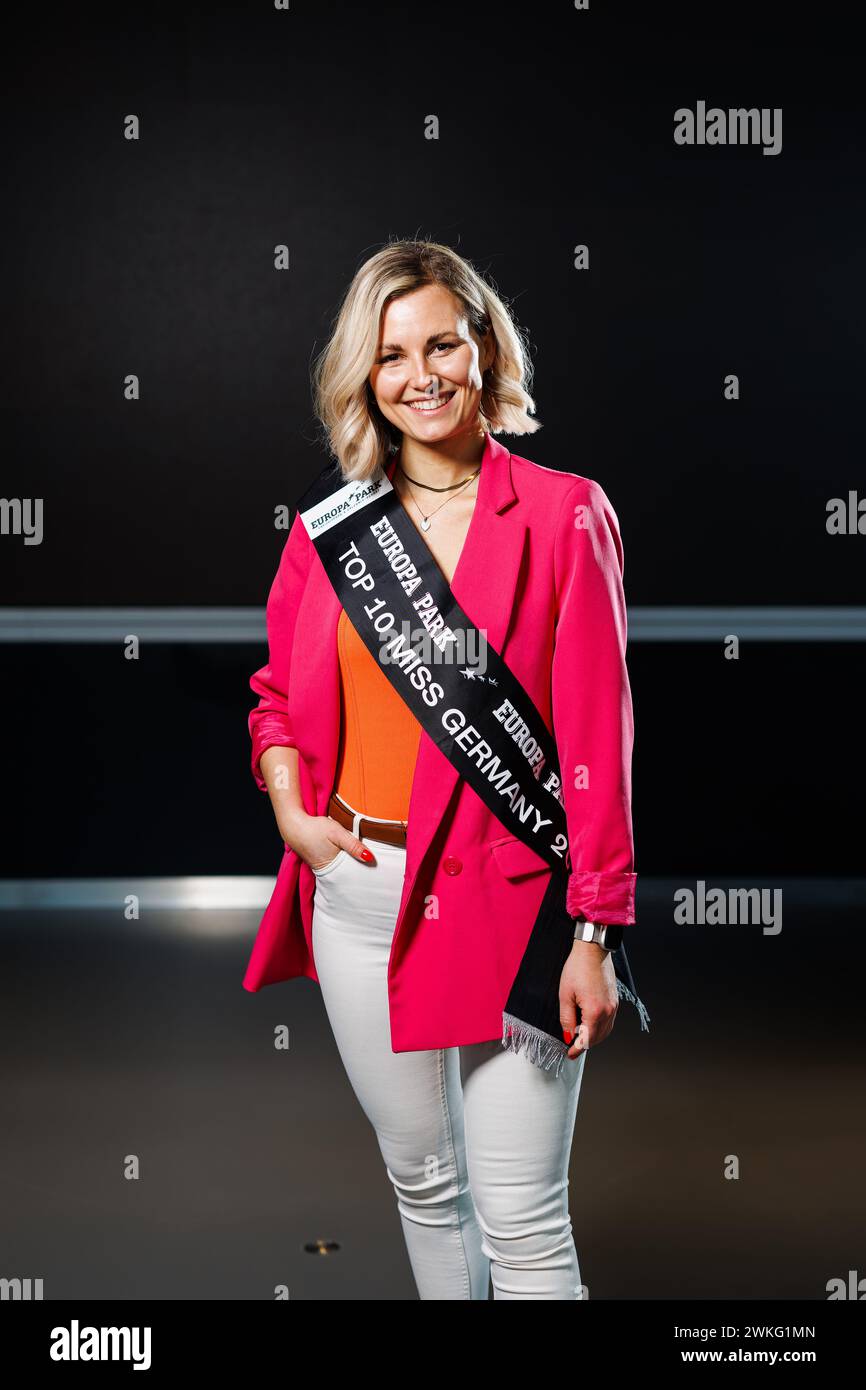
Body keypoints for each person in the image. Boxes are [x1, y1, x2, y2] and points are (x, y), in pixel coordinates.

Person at [245, 238, 641, 1300]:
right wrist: (291, 809)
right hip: (358, 893)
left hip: (511, 904)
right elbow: (274, 699)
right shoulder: (328, 536)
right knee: (423, 1185)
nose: (419, 373)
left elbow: (597, 740)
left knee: (521, 1220)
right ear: (361, 377)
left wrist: (592, 930)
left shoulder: (563, 514)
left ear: (482, 351)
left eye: (441, 344)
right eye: (389, 355)